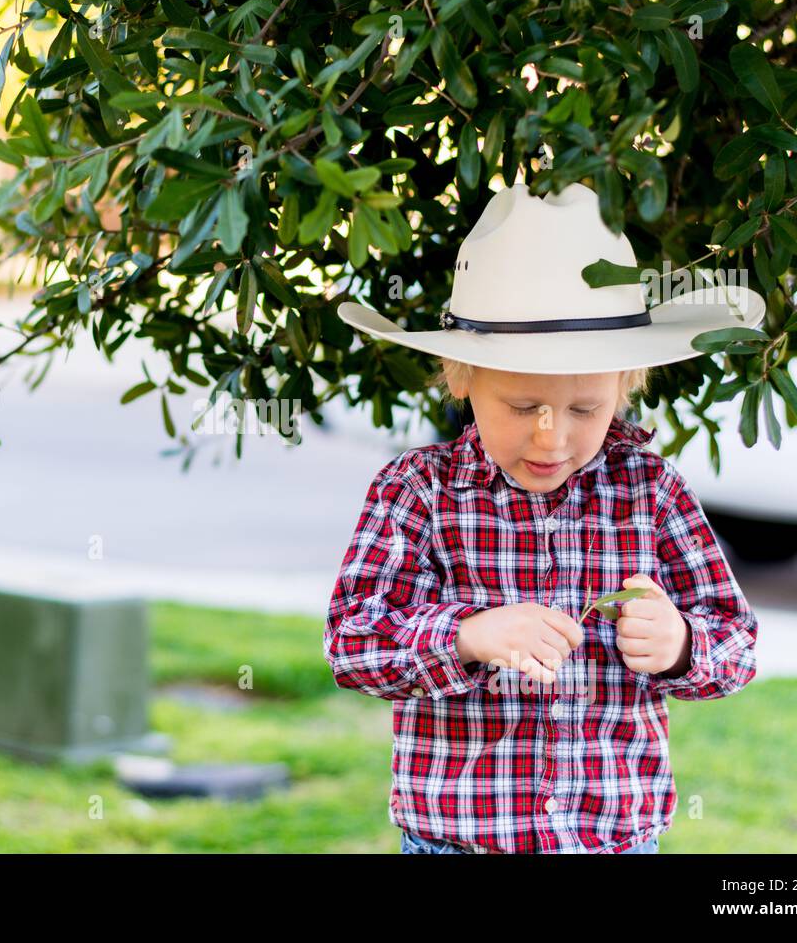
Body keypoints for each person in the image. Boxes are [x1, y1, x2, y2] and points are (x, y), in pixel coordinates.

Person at [326, 181, 763, 854]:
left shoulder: (651, 492)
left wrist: (678, 644)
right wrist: (466, 634)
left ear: (626, 383)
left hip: (614, 841)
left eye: (586, 410)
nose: (552, 439)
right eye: (523, 407)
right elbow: (354, 643)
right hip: (460, 841)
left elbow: (734, 640)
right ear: (462, 374)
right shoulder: (418, 492)